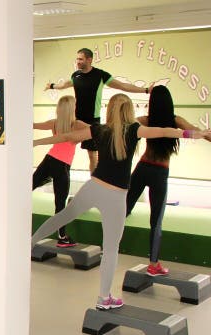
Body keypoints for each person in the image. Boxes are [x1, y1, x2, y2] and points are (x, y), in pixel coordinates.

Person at [32, 93, 211, 310]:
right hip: (115, 197)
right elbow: (165, 131)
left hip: (94, 187)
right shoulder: (134, 130)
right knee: (110, 248)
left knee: (63, 216)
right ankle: (103, 298)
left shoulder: (99, 129)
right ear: (128, 111)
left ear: (109, 111)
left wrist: (35, 142)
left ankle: (29, 244)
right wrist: (195, 133)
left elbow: (65, 137)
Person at [126, 86, 201, 276]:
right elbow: (198, 132)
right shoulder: (175, 121)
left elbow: (125, 123)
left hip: (142, 168)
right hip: (159, 172)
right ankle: (153, 265)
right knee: (156, 221)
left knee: (123, 210)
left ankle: (106, 248)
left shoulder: (147, 120)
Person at [45, 48, 151, 172]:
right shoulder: (76, 75)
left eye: (80, 59)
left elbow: (122, 86)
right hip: (75, 120)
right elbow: (64, 85)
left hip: (92, 121)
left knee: (92, 155)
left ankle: (95, 181)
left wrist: (146, 90)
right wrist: (52, 86)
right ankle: (60, 175)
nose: (77, 61)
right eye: (77, 59)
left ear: (89, 60)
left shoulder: (100, 75)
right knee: (64, 148)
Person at [31, 95, 90, 247]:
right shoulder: (77, 125)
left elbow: (33, 125)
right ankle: (62, 237)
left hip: (49, 160)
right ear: (72, 109)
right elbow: (95, 130)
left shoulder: (54, 123)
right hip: (62, 166)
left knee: (27, 188)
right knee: (60, 204)